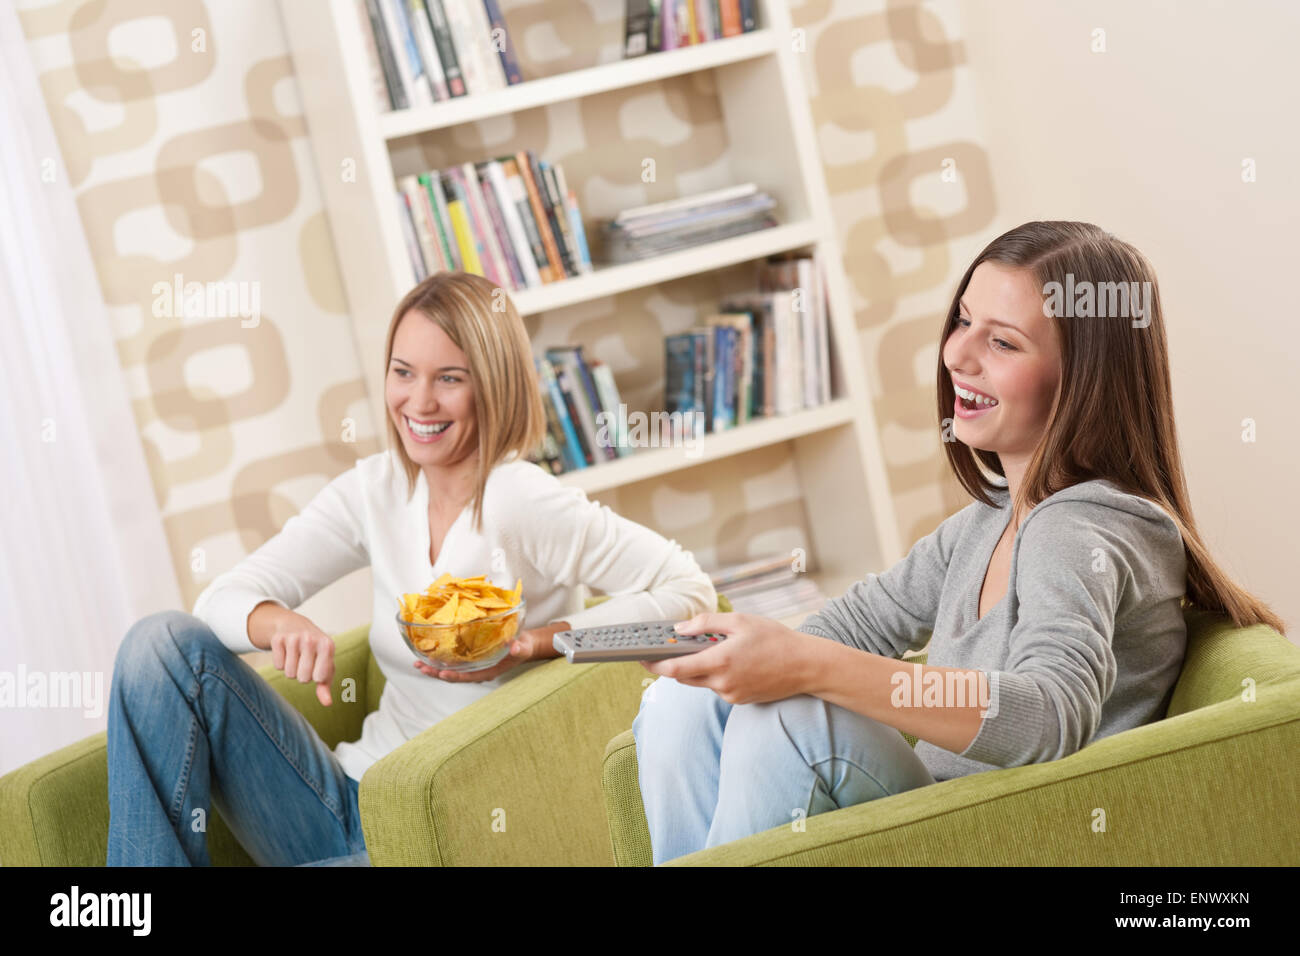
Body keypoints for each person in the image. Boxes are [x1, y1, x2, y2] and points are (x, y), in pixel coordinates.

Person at [632, 220, 1287, 865]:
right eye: (962, 321)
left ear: (1082, 378)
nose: (958, 354)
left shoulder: (1085, 529)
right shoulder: (988, 521)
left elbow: (1052, 713)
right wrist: (732, 652)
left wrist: (806, 669)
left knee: (794, 720)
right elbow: (855, 625)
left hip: (1012, 835)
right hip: (947, 814)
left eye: (1002, 343)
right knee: (682, 699)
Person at [106, 271, 716, 866]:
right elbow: (220, 599)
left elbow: (689, 592)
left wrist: (536, 643)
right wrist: (277, 624)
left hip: (433, 833)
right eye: (403, 373)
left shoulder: (518, 500)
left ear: (493, 386)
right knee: (158, 645)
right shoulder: (377, 489)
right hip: (336, 799)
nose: (418, 402)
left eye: (449, 378)